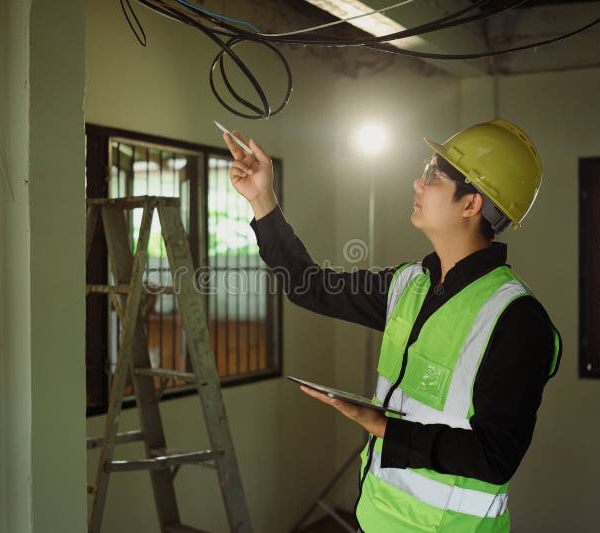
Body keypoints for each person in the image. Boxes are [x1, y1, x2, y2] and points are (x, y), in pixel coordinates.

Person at [222, 119, 562, 533]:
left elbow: (494, 456)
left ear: (471, 204)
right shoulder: (408, 284)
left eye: (432, 176)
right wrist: (262, 199)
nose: (417, 185)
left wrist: (380, 425)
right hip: (375, 519)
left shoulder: (517, 320)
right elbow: (306, 286)